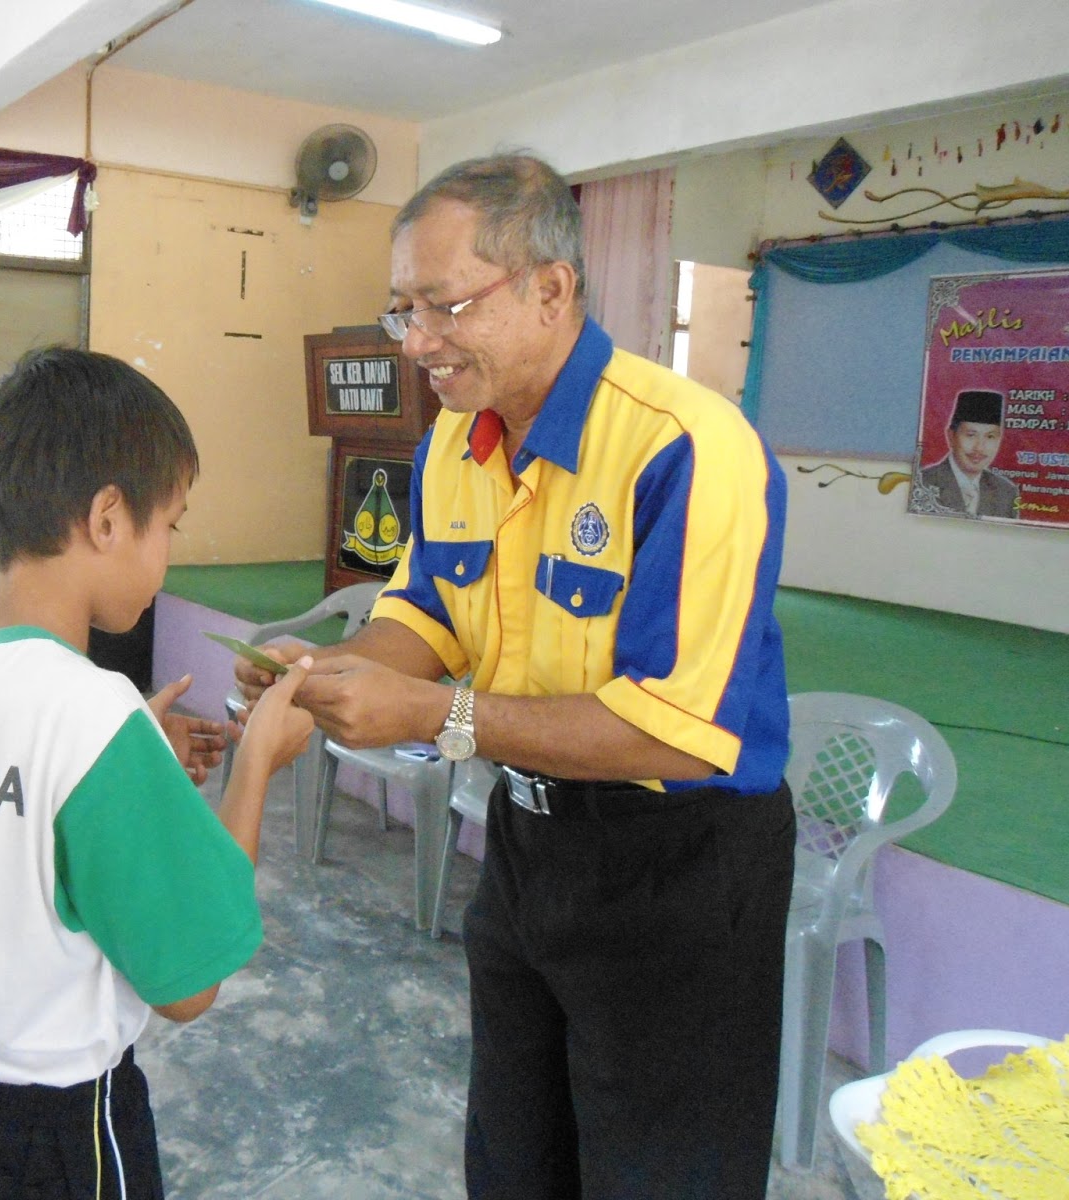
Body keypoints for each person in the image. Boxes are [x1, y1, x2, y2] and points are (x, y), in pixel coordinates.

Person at [236, 154, 795, 1199]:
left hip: (677, 869)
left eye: (443, 307)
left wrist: (437, 717)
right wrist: (324, 671)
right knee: (515, 1155)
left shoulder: (686, 448)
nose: (417, 344)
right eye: (401, 310)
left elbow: (678, 727)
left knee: (664, 1173)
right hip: (528, 849)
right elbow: (429, 613)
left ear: (550, 288)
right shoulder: (452, 440)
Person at [0, 347, 315, 1200]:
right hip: (51, 1136)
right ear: (108, 517)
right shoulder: (92, 714)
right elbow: (190, 983)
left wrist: (138, 767)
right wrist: (254, 769)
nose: (167, 549)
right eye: (169, 522)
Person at [916, 388, 1020, 518]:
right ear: (951, 436)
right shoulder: (922, 482)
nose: (979, 448)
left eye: (990, 437)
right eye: (971, 435)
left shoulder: (1006, 492)